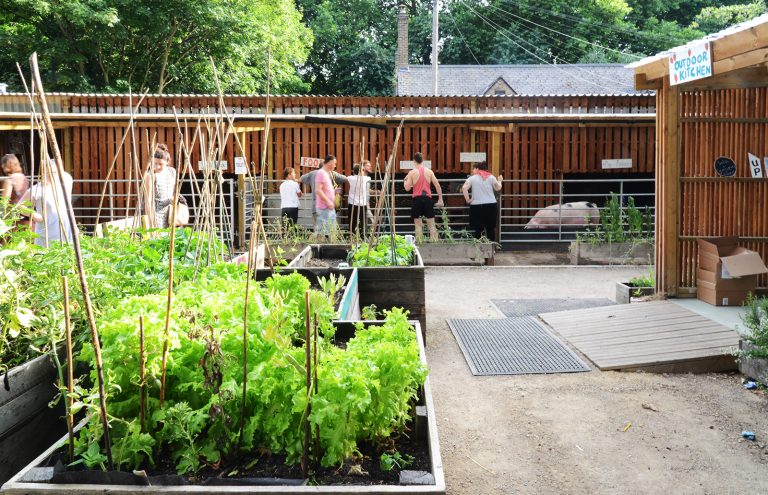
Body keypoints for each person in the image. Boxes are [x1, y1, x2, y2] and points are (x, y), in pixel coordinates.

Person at [19, 158, 73, 247]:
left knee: (67, 252)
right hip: (47, 230)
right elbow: (19, 207)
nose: (53, 175)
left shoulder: (66, 181)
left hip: (66, 227)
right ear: (43, 173)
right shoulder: (37, 190)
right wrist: (35, 216)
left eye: (55, 172)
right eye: (49, 172)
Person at [403, 152, 444, 242]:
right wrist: (440, 199)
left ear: (414, 161)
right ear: (422, 161)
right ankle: (435, 243)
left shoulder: (412, 172)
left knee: (418, 223)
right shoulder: (429, 171)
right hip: (428, 199)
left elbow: (407, 188)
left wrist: (405, 180)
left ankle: (420, 243)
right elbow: (437, 185)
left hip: (417, 200)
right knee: (431, 223)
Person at [299, 157, 346, 229]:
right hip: (327, 206)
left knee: (319, 230)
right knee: (330, 230)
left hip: (316, 206)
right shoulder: (332, 174)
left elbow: (301, 179)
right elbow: (344, 178)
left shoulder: (312, 174)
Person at [462, 161, 503, 240]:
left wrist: (468, 200)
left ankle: (479, 249)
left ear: (477, 169)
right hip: (491, 205)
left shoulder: (471, 178)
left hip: (476, 206)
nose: (472, 170)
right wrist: (500, 180)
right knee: (490, 228)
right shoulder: (491, 177)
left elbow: (464, 188)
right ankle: (491, 249)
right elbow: (498, 188)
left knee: (478, 229)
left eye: (473, 169)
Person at [141, 144, 178, 228]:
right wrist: (150, 222)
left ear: (167, 162)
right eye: (155, 163)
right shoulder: (149, 176)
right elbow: (148, 201)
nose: (157, 167)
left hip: (169, 212)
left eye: (160, 164)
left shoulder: (172, 172)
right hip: (155, 213)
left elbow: (172, 191)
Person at [314, 155, 339, 238]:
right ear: (330, 163)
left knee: (331, 229)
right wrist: (328, 201)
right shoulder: (321, 173)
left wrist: (333, 192)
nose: (335, 166)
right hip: (324, 207)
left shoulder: (326, 173)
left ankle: (330, 247)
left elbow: (324, 189)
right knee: (322, 230)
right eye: (334, 164)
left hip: (328, 207)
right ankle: (318, 248)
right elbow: (318, 190)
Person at [346, 160, 373, 237]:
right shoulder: (367, 178)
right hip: (362, 204)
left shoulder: (350, 178)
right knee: (362, 223)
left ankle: (352, 237)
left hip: (352, 203)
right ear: (362, 170)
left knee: (352, 222)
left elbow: (345, 178)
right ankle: (363, 238)